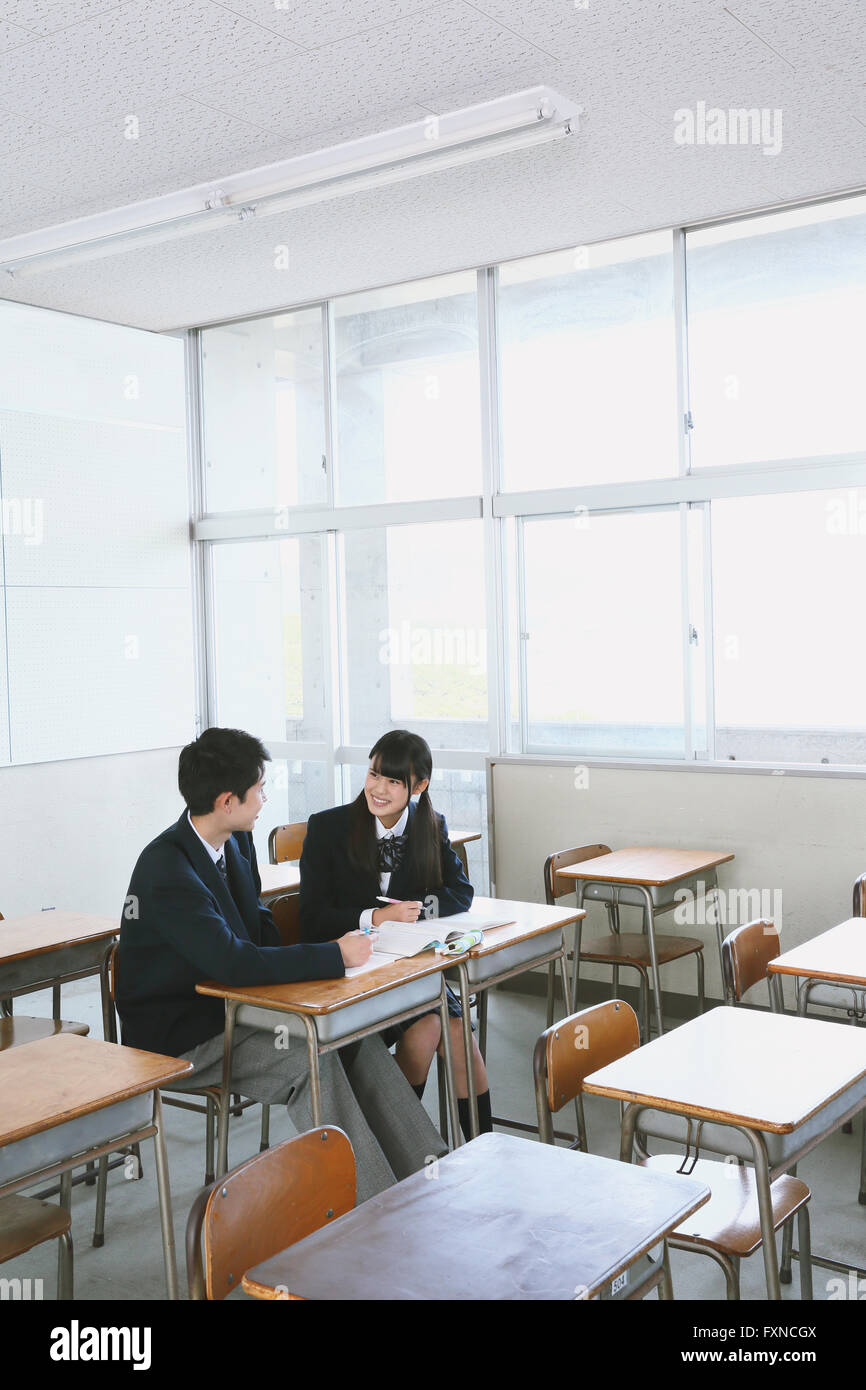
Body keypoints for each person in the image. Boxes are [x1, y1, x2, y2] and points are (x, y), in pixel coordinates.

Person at [116, 726, 447, 1202]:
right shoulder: (166, 870)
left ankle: (428, 1178)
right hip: (186, 1034)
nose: (265, 798)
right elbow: (235, 962)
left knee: (350, 1039)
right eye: (259, 789)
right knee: (313, 1059)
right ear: (228, 800)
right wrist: (333, 954)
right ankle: (376, 1207)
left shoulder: (235, 840)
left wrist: (287, 960)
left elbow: (257, 925)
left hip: (242, 1008)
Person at [299, 728, 492, 1139]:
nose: (378, 789)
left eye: (393, 781)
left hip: (410, 964)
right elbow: (313, 918)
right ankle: (402, 1145)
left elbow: (460, 892)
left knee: (448, 1029)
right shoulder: (328, 828)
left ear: (418, 786)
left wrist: (418, 912)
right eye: (373, 775)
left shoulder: (429, 824)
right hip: (354, 973)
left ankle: (480, 1145)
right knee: (435, 1026)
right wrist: (376, 918)